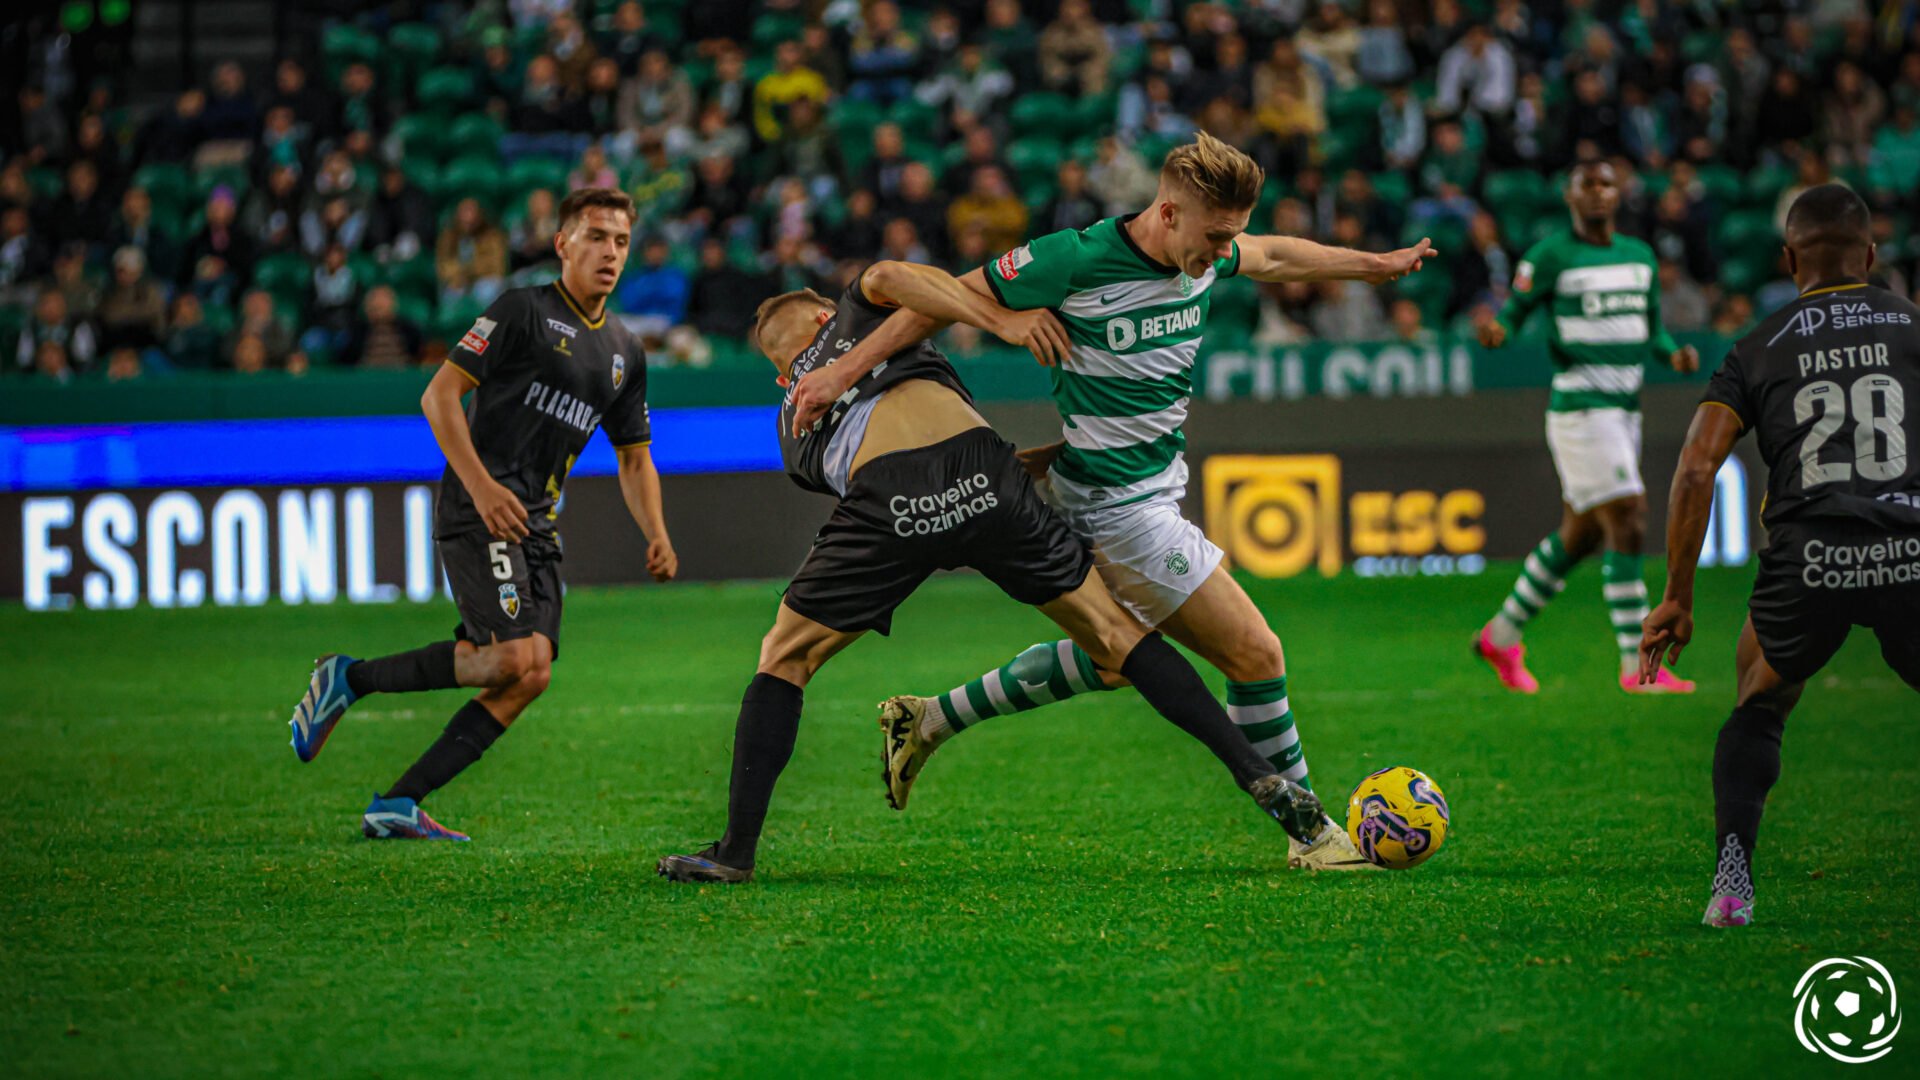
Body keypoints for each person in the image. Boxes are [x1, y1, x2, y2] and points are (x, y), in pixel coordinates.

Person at [788, 133, 1433, 871]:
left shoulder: (1205, 251)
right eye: (1215, 237)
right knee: (1255, 654)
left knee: (1120, 656)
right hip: (1117, 509)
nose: (1224, 252)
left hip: (1143, 488)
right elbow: (939, 299)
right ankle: (1311, 832)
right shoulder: (1075, 258)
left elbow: (1278, 256)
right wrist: (842, 371)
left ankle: (930, 718)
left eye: (1232, 236)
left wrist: (1374, 265)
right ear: (1168, 212)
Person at [655, 265, 1328, 883]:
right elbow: (891, 276)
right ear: (827, 315)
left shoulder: (789, 430)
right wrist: (1000, 321)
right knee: (1117, 635)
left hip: (889, 504)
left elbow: (881, 477)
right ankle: (1257, 774)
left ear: (779, 376)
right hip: (987, 474)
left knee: (785, 657)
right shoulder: (862, 320)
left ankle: (735, 851)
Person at [286, 189, 676, 841]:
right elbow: (439, 396)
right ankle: (347, 678)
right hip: (479, 507)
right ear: (563, 243)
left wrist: (657, 533)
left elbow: (635, 457)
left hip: (536, 523)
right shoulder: (522, 311)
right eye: (596, 237)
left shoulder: (624, 351)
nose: (610, 252)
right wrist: (483, 487)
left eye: (621, 241)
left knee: (531, 673)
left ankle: (398, 802)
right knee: (509, 659)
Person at [1639, 184, 1920, 928]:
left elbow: (1696, 467)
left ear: (1789, 259)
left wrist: (1678, 596)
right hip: (1910, 547)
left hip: (1809, 558)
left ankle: (1732, 885)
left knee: (1759, 700)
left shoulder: (1758, 345)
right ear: (1871, 255)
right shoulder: (1913, 326)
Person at [1471, 161, 1701, 695]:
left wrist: (1674, 355)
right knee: (1630, 515)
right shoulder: (1550, 256)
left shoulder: (1639, 256)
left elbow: (1652, 329)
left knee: (1581, 536)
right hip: (1581, 406)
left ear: (1619, 194)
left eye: (1605, 184)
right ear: (1569, 196)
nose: (1597, 193)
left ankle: (1500, 636)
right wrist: (1496, 332)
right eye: (1587, 186)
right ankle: (1637, 664)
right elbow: (1514, 313)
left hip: (1624, 410)